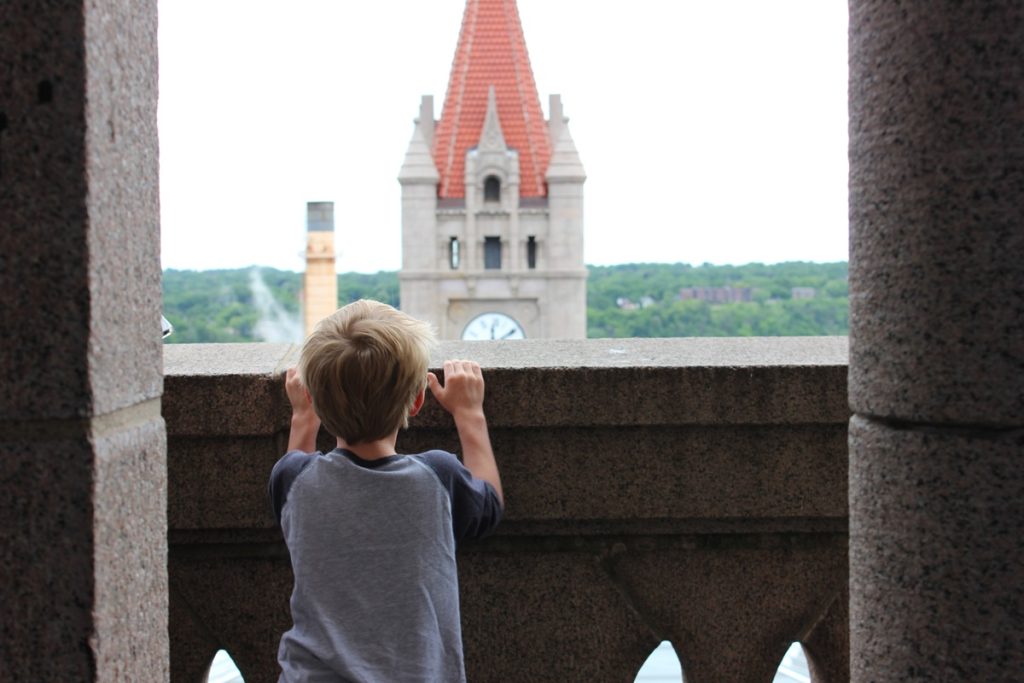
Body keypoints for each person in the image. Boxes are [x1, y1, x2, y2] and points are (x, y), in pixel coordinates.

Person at [268, 299, 504, 682]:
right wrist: (469, 414)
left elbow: (295, 476)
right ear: (417, 400)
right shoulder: (439, 477)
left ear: (313, 397)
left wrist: (302, 418)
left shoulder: (292, 477)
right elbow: (489, 504)